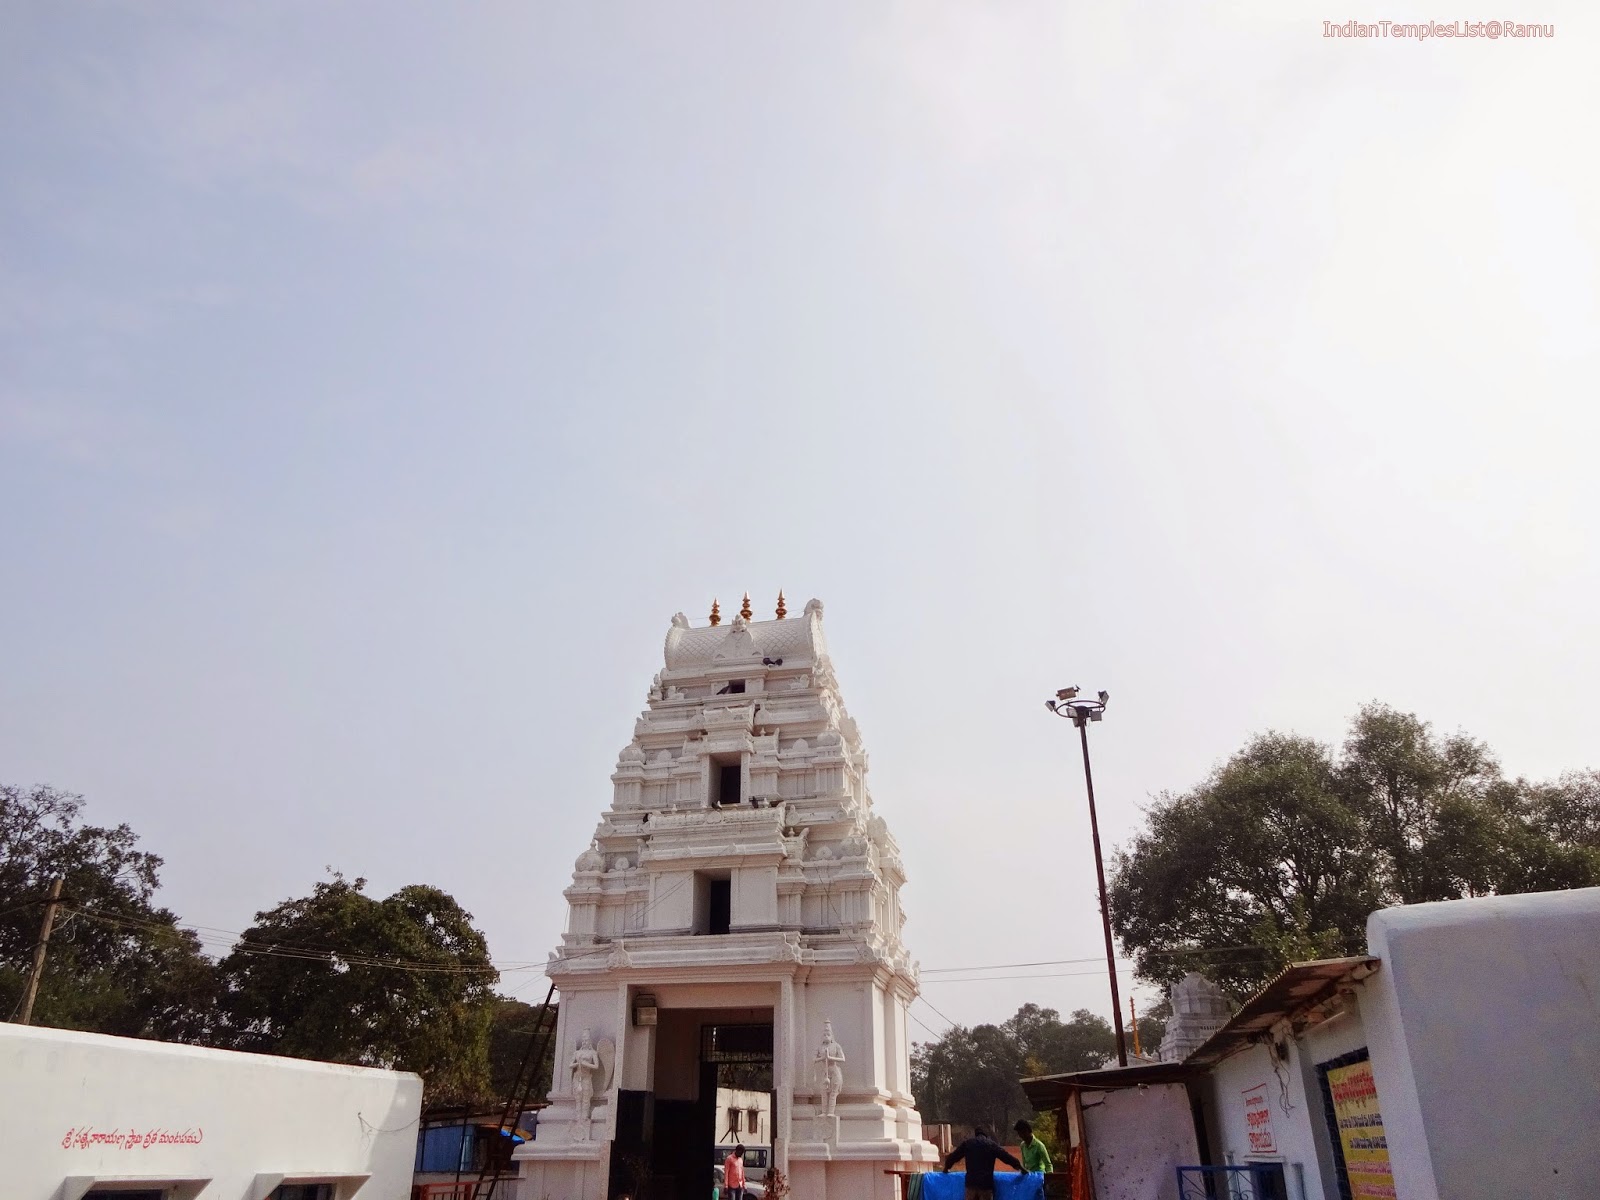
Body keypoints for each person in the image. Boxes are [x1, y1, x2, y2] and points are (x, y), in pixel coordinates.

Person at [943, 1126, 1024, 1199]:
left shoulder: (968, 1144)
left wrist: (947, 1168)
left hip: (971, 1185)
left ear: (976, 1134)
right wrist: (1019, 1166)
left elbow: (954, 1156)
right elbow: (1006, 1157)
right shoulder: (991, 1145)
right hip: (986, 1186)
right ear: (986, 1135)